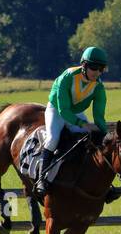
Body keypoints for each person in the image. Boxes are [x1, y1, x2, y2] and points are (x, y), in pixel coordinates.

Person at [36, 46, 108, 196]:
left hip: (75, 112)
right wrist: (83, 124)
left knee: (92, 140)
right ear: (84, 65)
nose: (97, 72)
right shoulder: (67, 77)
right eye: (94, 68)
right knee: (53, 139)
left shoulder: (99, 87)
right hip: (56, 110)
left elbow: (99, 117)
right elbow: (63, 111)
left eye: (101, 69)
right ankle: (41, 179)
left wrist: (105, 135)